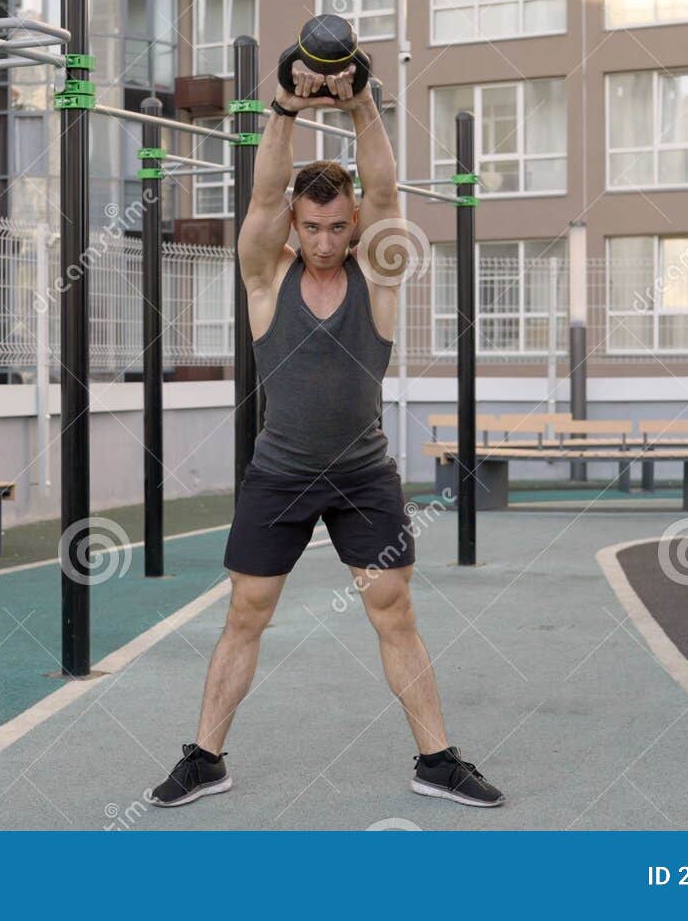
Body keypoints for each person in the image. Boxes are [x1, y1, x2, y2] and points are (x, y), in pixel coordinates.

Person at [149, 59, 505, 810]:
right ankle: (206, 757)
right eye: (311, 227)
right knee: (246, 612)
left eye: (337, 226)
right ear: (294, 225)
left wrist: (362, 103)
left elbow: (385, 191)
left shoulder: (376, 273)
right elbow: (263, 193)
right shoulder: (262, 274)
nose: (322, 240)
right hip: (278, 472)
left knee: (394, 610)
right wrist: (284, 104)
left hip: (362, 475)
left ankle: (436, 760)